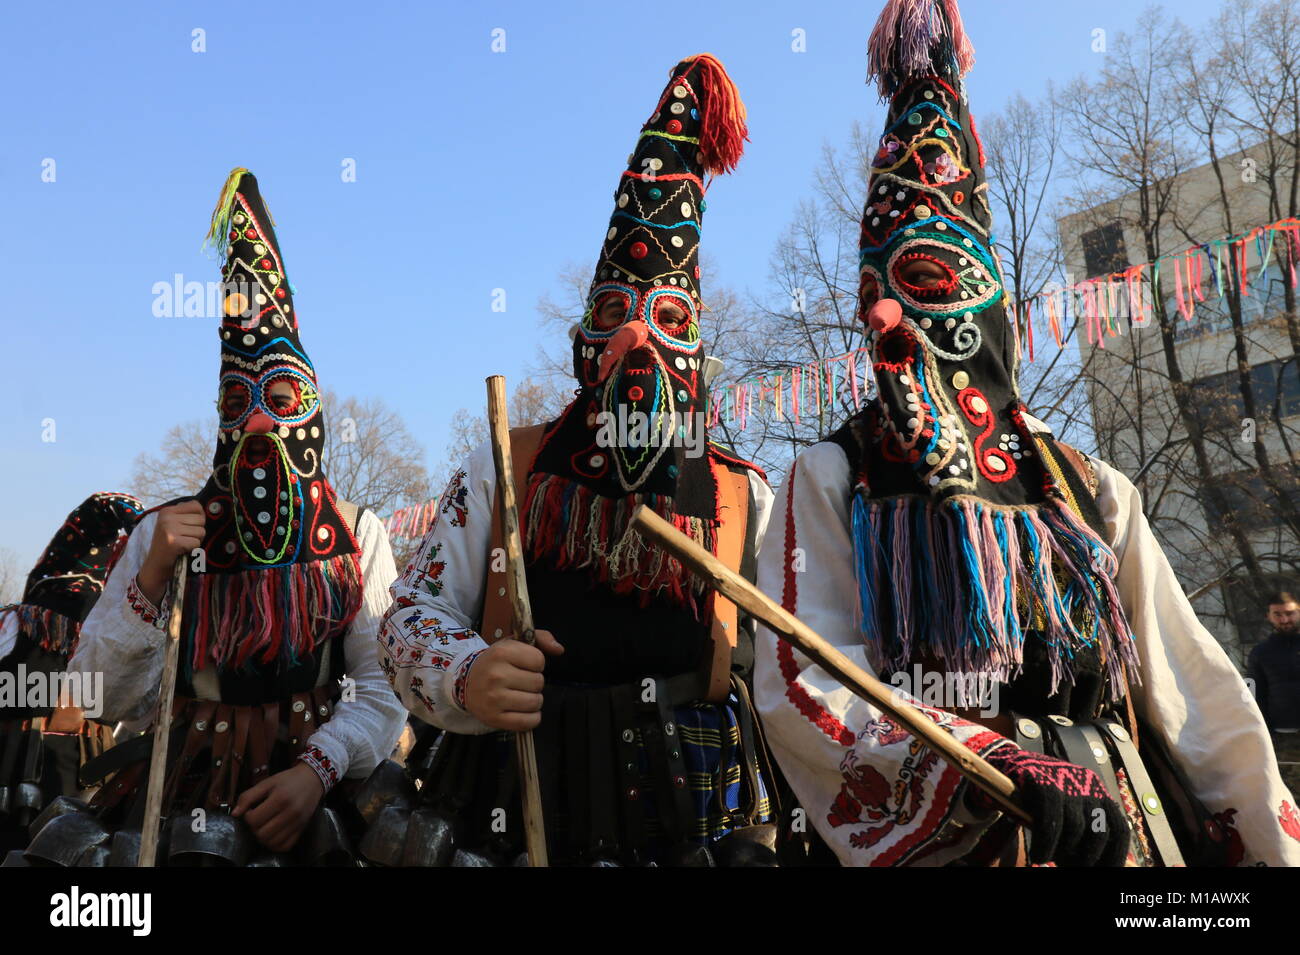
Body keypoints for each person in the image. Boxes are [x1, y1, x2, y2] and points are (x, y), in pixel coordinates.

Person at [752, 0, 1300, 867]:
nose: (913, 324)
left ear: (992, 306)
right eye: (894, 296)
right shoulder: (830, 477)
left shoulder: (1085, 483)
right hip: (946, 840)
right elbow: (800, 683)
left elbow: (1192, 688)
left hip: (1115, 837)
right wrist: (975, 760)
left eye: (943, 291)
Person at [376, 54, 778, 866]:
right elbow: (408, 612)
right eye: (611, 315)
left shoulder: (743, 494)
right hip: (516, 801)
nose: (635, 342)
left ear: (696, 349)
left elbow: (793, 677)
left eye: (663, 319)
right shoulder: (507, 465)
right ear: (582, 342)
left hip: (691, 815)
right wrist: (467, 671)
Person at [23, 169, 406, 867]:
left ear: (313, 415)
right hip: (176, 797)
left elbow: (383, 686)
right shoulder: (164, 533)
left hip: (319, 795)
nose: (258, 419)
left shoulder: (357, 534)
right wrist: (152, 576)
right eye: (238, 402)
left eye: (281, 397)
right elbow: (98, 697)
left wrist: (317, 769)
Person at [0, 492, 142, 856]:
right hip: (88, 782)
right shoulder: (115, 634)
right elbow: (137, 715)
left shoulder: (13, 623)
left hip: (20, 774)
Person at [1248, 590, 1300, 795]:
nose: (1285, 619)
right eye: (1278, 614)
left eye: (1290, 613)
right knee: (1291, 794)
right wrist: (1263, 731)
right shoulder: (1260, 653)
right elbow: (1254, 696)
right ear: (1268, 616)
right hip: (1283, 737)